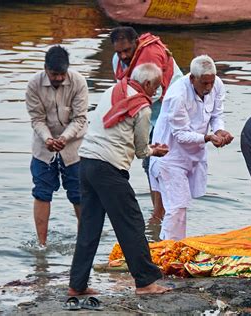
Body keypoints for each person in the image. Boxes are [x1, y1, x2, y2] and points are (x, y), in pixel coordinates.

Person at [68, 63, 171, 296]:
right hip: (108, 168)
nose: (156, 92)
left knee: (89, 227)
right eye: (155, 87)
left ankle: (77, 284)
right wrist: (156, 150)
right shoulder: (142, 107)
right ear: (146, 84)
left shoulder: (114, 90)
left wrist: (145, 148)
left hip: (86, 162)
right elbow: (142, 150)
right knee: (131, 223)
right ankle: (145, 282)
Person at [149, 55, 233, 241]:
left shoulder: (216, 84)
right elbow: (180, 135)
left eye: (211, 82)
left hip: (193, 154)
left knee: (181, 206)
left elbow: (216, 114)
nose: (209, 87)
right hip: (169, 155)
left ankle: (168, 245)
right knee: (176, 207)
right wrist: (208, 137)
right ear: (192, 79)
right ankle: (167, 250)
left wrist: (220, 130)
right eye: (204, 83)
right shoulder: (177, 95)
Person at [110, 26, 183, 225]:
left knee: (158, 164)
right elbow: (125, 92)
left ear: (136, 44)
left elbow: (151, 95)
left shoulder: (150, 58)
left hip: (169, 108)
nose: (123, 56)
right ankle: (158, 211)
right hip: (148, 114)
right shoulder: (118, 61)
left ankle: (159, 215)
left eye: (127, 50)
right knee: (149, 165)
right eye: (119, 52)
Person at [25, 45, 88, 247]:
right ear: (45, 69)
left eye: (62, 74)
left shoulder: (78, 82)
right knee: (42, 191)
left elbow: (80, 119)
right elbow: (36, 119)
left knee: (78, 193)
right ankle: (42, 245)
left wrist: (64, 138)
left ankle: (83, 242)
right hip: (44, 147)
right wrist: (48, 139)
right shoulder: (34, 84)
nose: (59, 78)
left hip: (74, 147)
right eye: (54, 74)